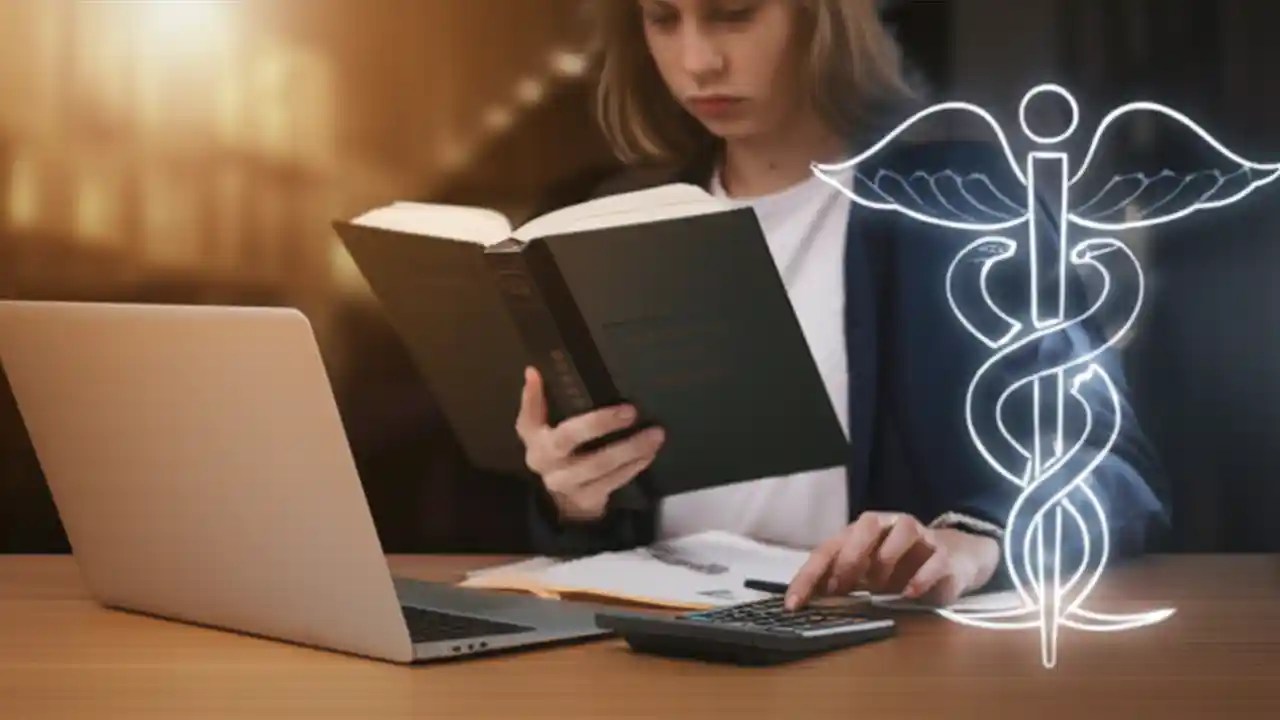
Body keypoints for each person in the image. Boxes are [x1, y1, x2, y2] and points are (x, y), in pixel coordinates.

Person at [513, 0, 1169, 609]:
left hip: (870, 655)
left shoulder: (961, 206)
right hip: (647, 642)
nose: (697, 61)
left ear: (823, 15)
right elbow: (597, 524)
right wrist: (576, 498)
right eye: (662, 18)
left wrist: (974, 539)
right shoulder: (612, 222)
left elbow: (1108, 467)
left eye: (734, 14)